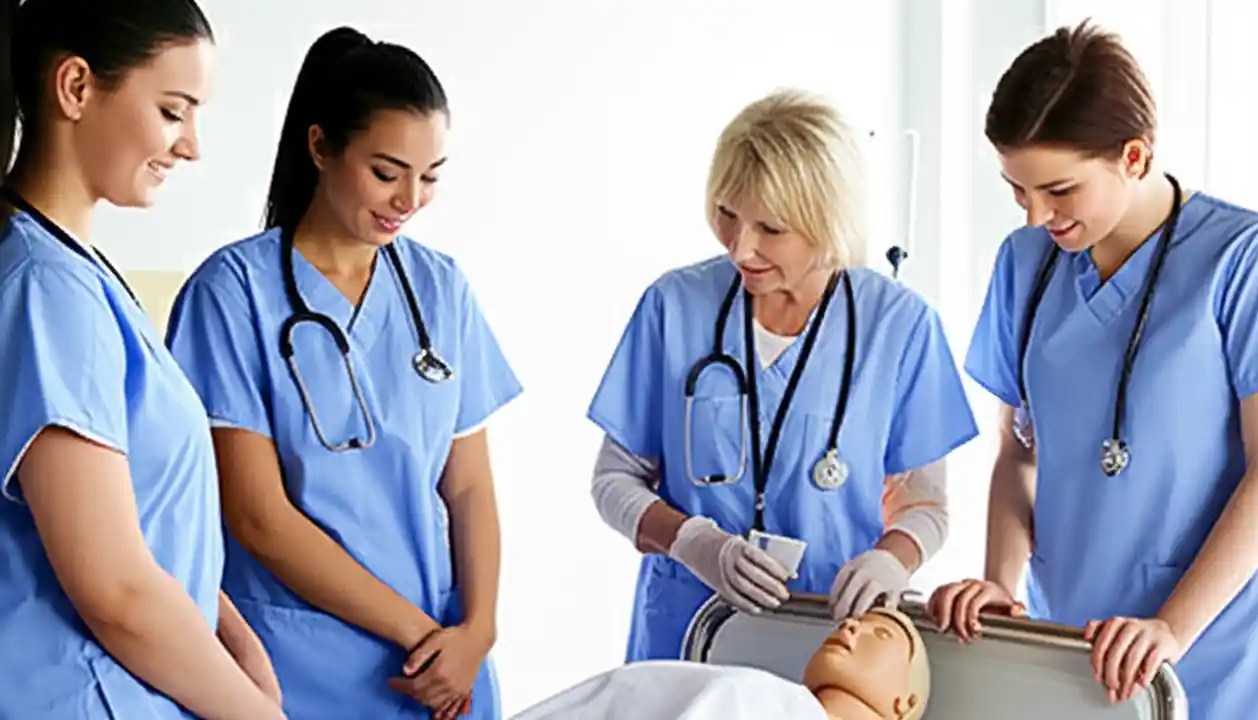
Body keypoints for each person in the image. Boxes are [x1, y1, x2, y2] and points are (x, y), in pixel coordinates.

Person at [164, 26, 520, 719]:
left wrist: (478, 631)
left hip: (446, 674)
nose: (409, 200)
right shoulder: (232, 294)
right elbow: (257, 516)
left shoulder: (441, 290)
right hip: (298, 670)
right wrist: (420, 637)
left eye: (430, 176)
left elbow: (469, 484)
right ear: (321, 147)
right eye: (387, 173)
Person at [928, 21, 1258, 719]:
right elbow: (1019, 452)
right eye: (1018, 189)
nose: (1036, 216)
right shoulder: (1026, 264)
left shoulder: (1244, 259)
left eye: (1059, 190)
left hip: (1218, 648)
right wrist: (1000, 584)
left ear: (1134, 156)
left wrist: (1171, 628)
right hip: (1071, 648)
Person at [587, 89, 979, 662]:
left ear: (828, 222)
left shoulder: (899, 326)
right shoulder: (674, 307)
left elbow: (925, 506)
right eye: (727, 214)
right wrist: (694, 543)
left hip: (832, 641)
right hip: (687, 634)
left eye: (771, 229)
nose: (741, 247)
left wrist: (891, 559)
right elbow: (613, 481)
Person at [0, 1, 285, 718]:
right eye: (172, 111)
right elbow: (117, 592)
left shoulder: (78, 275)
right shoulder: (46, 290)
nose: (191, 146)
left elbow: (150, 527)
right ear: (75, 87)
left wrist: (237, 643)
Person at [511, 606, 930, 720]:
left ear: (905, 702)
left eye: (882, 635)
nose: (851, 627)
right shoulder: (752, 697)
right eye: (854, 622)